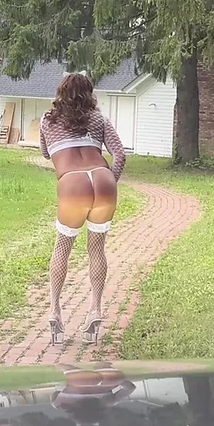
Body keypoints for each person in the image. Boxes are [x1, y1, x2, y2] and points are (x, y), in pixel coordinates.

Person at [39, 72, 126, 345]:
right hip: (103, 180)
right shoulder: (98, 118)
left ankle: (55, 311)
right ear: (90, 93)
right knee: (97, 249)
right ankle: (95, 309)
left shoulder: (47, 120)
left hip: (72, 183)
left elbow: (45, 152)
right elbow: (120, 153)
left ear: (60, 93)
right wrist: (111, 179)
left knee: (62, 248)